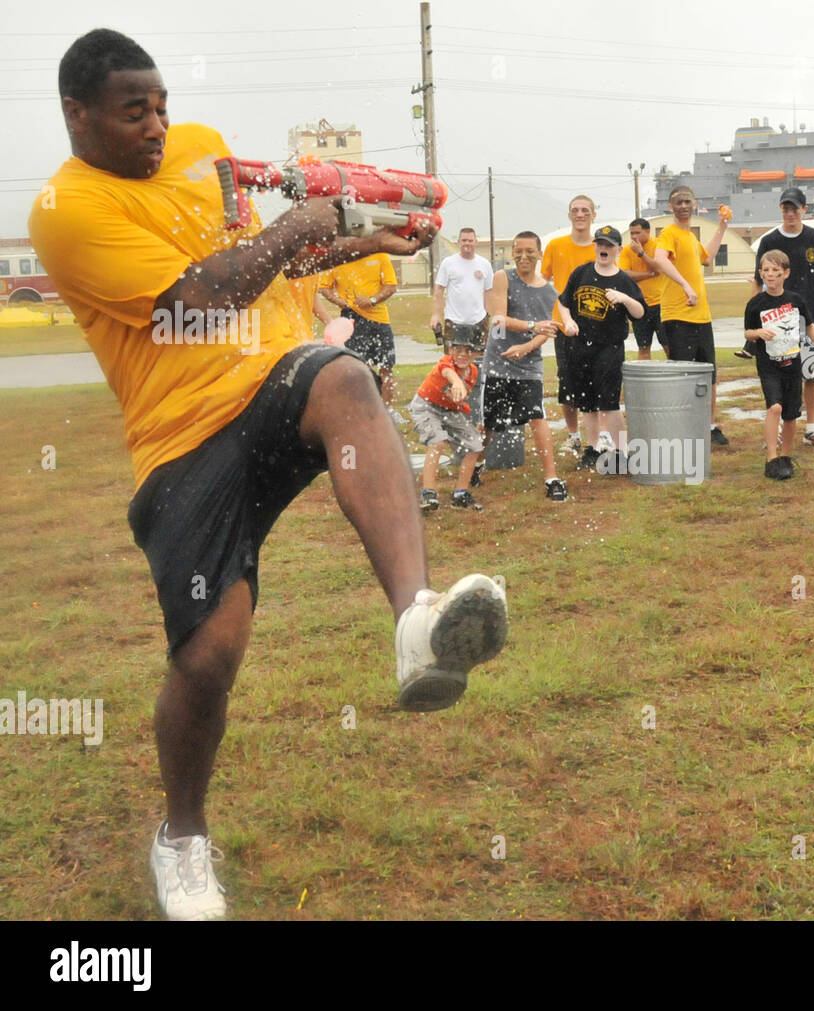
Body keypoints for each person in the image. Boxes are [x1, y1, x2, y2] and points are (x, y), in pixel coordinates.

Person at [28, 29, 508, 920]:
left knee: (346, 378)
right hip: (180, 441)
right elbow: (197, 297)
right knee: (209, 657)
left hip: (273, 382)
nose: (158, 126)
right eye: (134, 111)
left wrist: (367, 241)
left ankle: (417, 618)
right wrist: (301, 222)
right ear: (77, 115)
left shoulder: (204, 149)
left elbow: (268, 255)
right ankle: (181, 837)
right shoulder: (65, 209)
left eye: (163, 105)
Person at [749, 188, 814, 448]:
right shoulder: (768, 241)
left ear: (804, 210)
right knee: (779, 377)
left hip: (806, 320)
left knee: (811, 375)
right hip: (775, 322)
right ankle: (776, 430)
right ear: (781, 210)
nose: (790, 213)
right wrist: (754, 319)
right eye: (786, 208)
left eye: (795, 208)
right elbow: (758, 281)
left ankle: (811, 429)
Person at [482, 231, 567, 501]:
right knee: (488, 422)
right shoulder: (502, 278)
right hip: (497, 361)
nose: (523, 256)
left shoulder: (550, 292)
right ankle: (474, 466)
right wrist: (531, 326)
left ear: (540, 254)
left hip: (529, 366)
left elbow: (549, 330)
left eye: (529, 251)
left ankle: (551, 477)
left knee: (537, 417)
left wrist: (526, 346)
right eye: (518, 251)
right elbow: (498, 318)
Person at [558, 225, 647, 471]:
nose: (604, 249)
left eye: (609, 245)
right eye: (600, 244)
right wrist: (568, 321)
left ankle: (621, 452)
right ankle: (594, 447)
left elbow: (641, 312)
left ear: (618, 249)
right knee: (586, 401)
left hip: (609, 347)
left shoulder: (623, 280)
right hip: (580, 346)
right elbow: (564, 301)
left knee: (608, 402)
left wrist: (625, 299)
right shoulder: (581, 272)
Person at [652, 185, 730, 446]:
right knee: (683, 378)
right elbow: (660, 259)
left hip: (702, 317)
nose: (683, 206)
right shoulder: (669, 234)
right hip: (678, 316)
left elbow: (707, 258)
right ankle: (682, 429)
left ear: (694, 204)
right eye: (678, 202)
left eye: (687, 201)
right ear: (670, 207)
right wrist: (685, 285)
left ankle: (708, 426)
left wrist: (722, 227)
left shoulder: (690, 237)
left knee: (709, 376)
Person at [745, 249, 814, 479]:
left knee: (791, 414)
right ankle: (771, 458)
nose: (770, 275)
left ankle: (785, 457)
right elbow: (748, 332)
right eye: (766, 271)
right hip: (768, 364)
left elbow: (810, 325)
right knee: (775, 407)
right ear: (761, 273)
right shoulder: (756, 304)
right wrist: (758, 332)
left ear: (786, 273)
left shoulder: (795, 300)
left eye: (776, 271)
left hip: (793, 363)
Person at [542, 196, 597, 455]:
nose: (580, 214)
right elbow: (543, 281)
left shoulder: (601, 247)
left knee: (595, 381)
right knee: (568, 382)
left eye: (585, 210)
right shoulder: (556, 245)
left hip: (594, 325)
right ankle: (574, 434)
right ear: (569, 215)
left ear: (593, 215)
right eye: (575, 210)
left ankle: (596, 438)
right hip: (564, 326)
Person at [318, 251, 401, 420]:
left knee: (386, 367)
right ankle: (366, 410)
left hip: (379, 319)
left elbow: (391, 286)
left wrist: (372, 300)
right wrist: (338, 301)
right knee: (360, 368)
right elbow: (324, 288)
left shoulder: (379, 255)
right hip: (351, 319)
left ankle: (388, 411)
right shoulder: (337, 257)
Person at [410, 336, 486, 512]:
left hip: (450, 410)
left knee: (475, 444)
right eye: (458, 350)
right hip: (426, 406)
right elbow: (447, 373)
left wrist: (459, 398)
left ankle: (460, 493)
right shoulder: (446, 363)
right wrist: (456, 382)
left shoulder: (473, 372)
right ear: (451, 350)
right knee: (438, 442)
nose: (462, 355)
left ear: (475, 353)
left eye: (468, 351)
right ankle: (428, 493)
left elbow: (459, 397)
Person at [430, 226, 492, 350]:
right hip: (453, 321)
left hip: (478, 321)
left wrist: (488, 316)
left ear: (476, 242)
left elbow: (489, 291)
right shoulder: (448, 263)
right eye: (464, 240)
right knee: (452, 361)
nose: (467, 243)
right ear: (458, 242)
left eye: (470, 240)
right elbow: (439, 290)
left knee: (479, 361)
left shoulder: (484, 264)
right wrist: (436, 314)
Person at [619, 217, 666, 361]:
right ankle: (645, 381)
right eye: (632, 233)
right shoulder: (627, 250)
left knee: (667, 344)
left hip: (661, 304)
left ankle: (674, 377)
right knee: (643, 346)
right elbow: (625, 274)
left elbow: (659, 267)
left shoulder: (659, 246)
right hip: (639, 305)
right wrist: (649, 274)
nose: (634, 237)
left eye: (637, 233)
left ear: (648, 231)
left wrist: (641, 253)